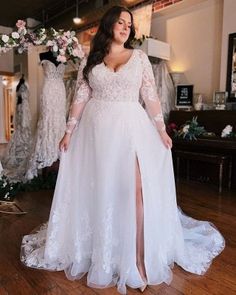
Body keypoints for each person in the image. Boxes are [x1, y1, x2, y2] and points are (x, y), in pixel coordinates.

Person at [21, 6, 225, 294]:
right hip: (96, 134)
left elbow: (150, 97)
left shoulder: (139, 57)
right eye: (121, 22)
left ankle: (139, 261)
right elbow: (80, 97)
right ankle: (106, 250)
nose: (126, 27)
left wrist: (160, 131)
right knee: (103, 190)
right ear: (109, 25)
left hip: (131, 130)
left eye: (129, 23)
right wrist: (68, 132)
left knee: (137, 192)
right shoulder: (91, 60)